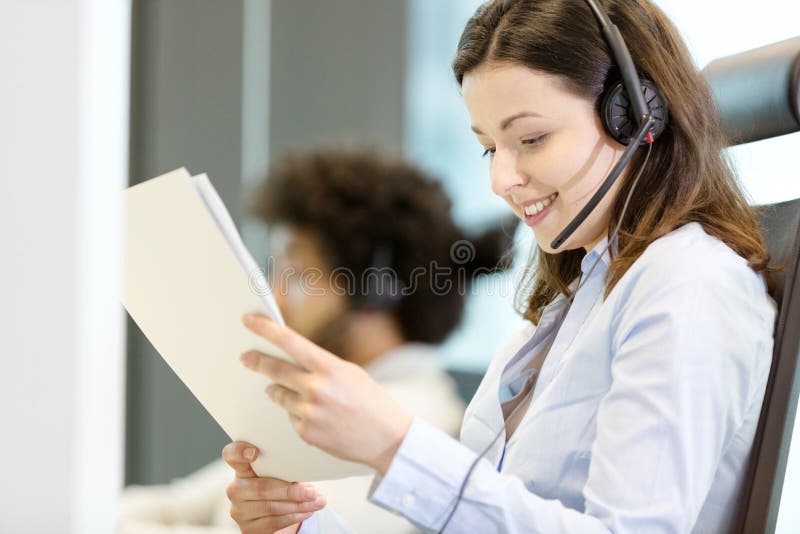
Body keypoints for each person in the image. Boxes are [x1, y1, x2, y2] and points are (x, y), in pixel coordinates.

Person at [222, 1, 780, 532]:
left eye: (531, 138)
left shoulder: (688, 287)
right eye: (491, 148)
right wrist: (302, 524)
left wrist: (394, 445)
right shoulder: (570, 308)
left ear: (634, 116)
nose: (500, 180)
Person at [119, 149, 512, 533]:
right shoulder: (337, 404)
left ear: (377, 287)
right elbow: (173, 507)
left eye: (296, 272)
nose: (276, 293)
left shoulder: (395, 422)